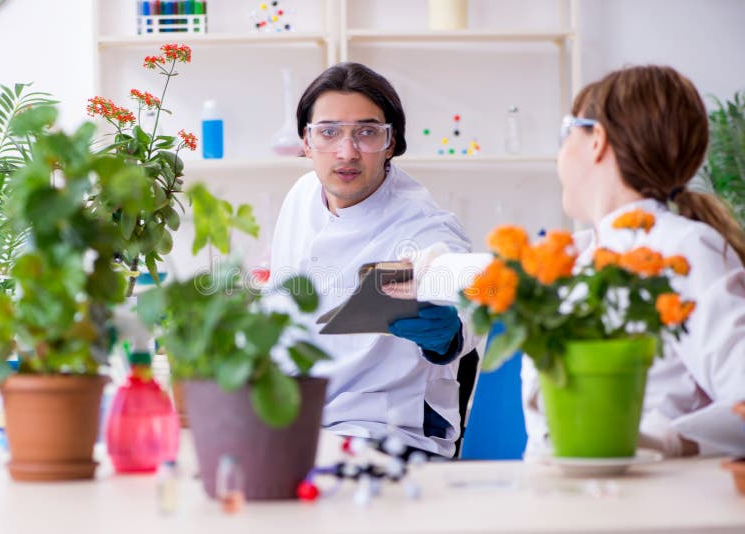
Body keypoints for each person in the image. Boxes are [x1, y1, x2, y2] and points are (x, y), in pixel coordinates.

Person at [389, 65, 745, 458]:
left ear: (597, 141)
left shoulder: (685, 249)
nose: (561, 154)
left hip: (639, 499)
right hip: (562, 498)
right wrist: (429, 271)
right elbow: (499, 278)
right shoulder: (583, 254)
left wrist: (658, 442)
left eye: (566, 133)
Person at [265, 62, 479, 458]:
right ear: (306, 143)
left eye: (366, 133)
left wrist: (448, 336)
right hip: (298, 419)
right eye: (328, 133)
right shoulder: (301, 194)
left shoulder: (423, 226)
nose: (347, 152)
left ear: (390, 142)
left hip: (386, 432)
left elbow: (462, 293)